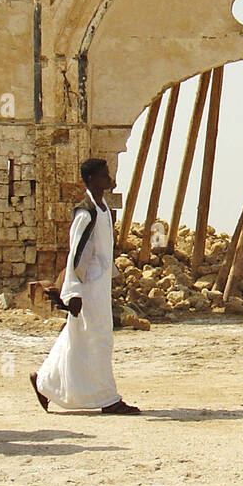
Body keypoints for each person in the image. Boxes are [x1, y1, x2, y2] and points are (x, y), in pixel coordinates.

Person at [30, 158, 139, 415]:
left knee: (78, 336)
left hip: (98, 284)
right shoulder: (85, 211)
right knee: (98, 338)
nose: (109, 178)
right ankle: (108, 398)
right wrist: (74, 291)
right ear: (91, 179)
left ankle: (43, 380)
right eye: (104, 175)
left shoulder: (102, 208)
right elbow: (75, 254)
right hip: (87, 285)